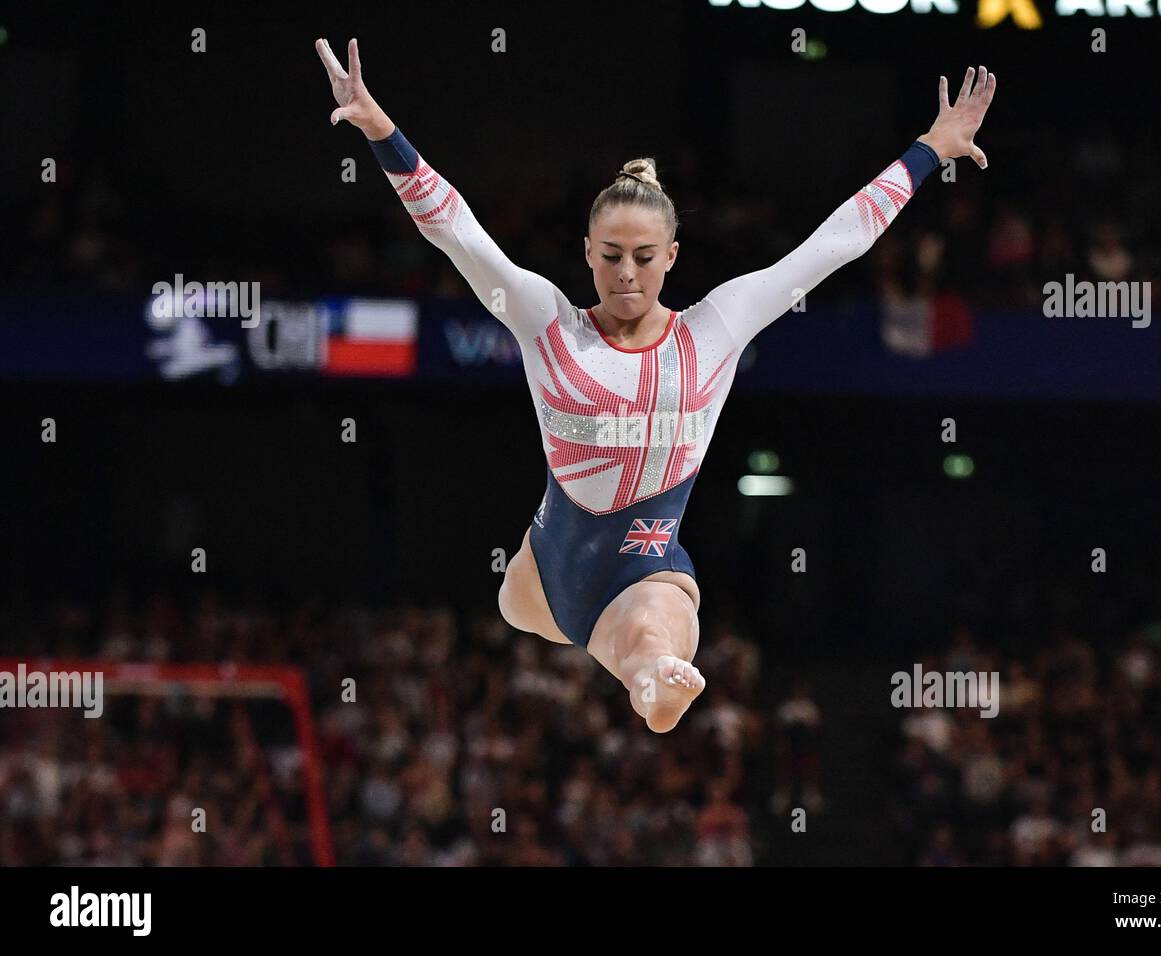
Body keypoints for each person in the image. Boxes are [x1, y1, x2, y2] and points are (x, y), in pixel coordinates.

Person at [315, 37, 997, 732]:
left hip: (648, 569)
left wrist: (930, 150)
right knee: (527, 610)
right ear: (587, 252)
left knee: (653, 636)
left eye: (644, 257)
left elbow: (835, 243)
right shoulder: (547, 321)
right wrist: (380, 129)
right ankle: (646, 673)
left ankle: (653, 681)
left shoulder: (715, 329)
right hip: (541, 579)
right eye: (611, 255)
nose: (627, 273)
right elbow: (456, 232)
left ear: (672, 255)